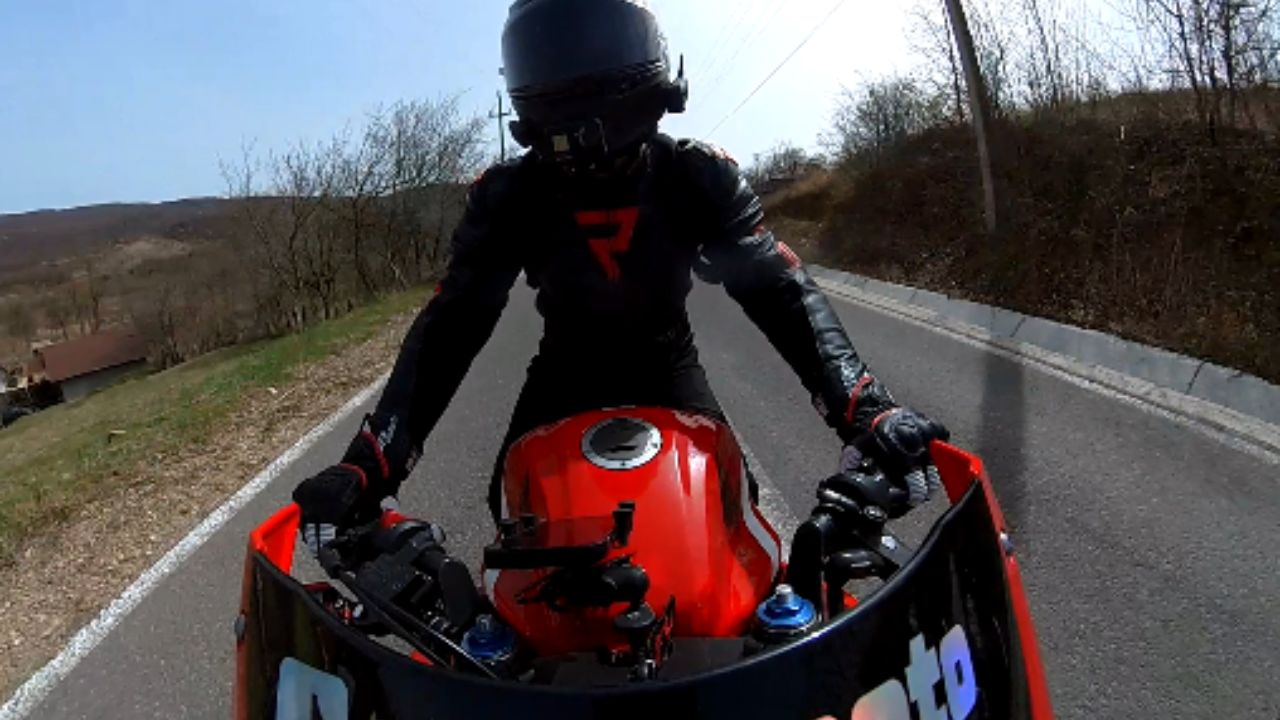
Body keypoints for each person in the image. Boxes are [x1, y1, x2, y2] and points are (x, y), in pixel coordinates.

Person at [293, 0, 949, 552]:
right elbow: (453, 323)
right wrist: (370, 462)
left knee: (728, 527)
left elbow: (778, 292)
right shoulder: (515, 195)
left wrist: (865, 409)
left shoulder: (694, 176)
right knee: (520, 538)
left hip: (655, 369)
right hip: (577, 376)